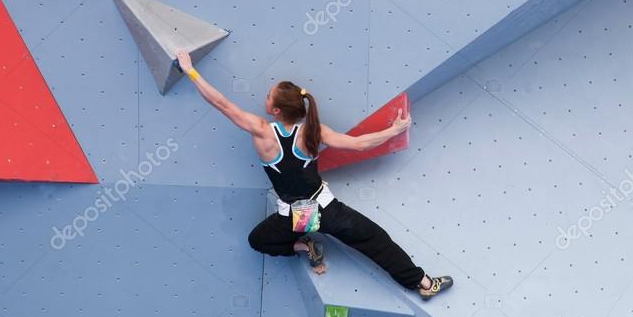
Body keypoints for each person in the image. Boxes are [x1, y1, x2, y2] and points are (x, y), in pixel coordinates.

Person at [174, 49, 453, 300]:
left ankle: (303, 246)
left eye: (269, 95)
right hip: (326, 209)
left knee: (257, 240)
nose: (266, 96)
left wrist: (191, 70)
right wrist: (395, 130)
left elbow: (221, 103)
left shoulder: (261, 130)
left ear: (276, 110)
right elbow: (358, 144)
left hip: (290, 219)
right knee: (375, 239)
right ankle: (424, 283)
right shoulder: (313, 131)